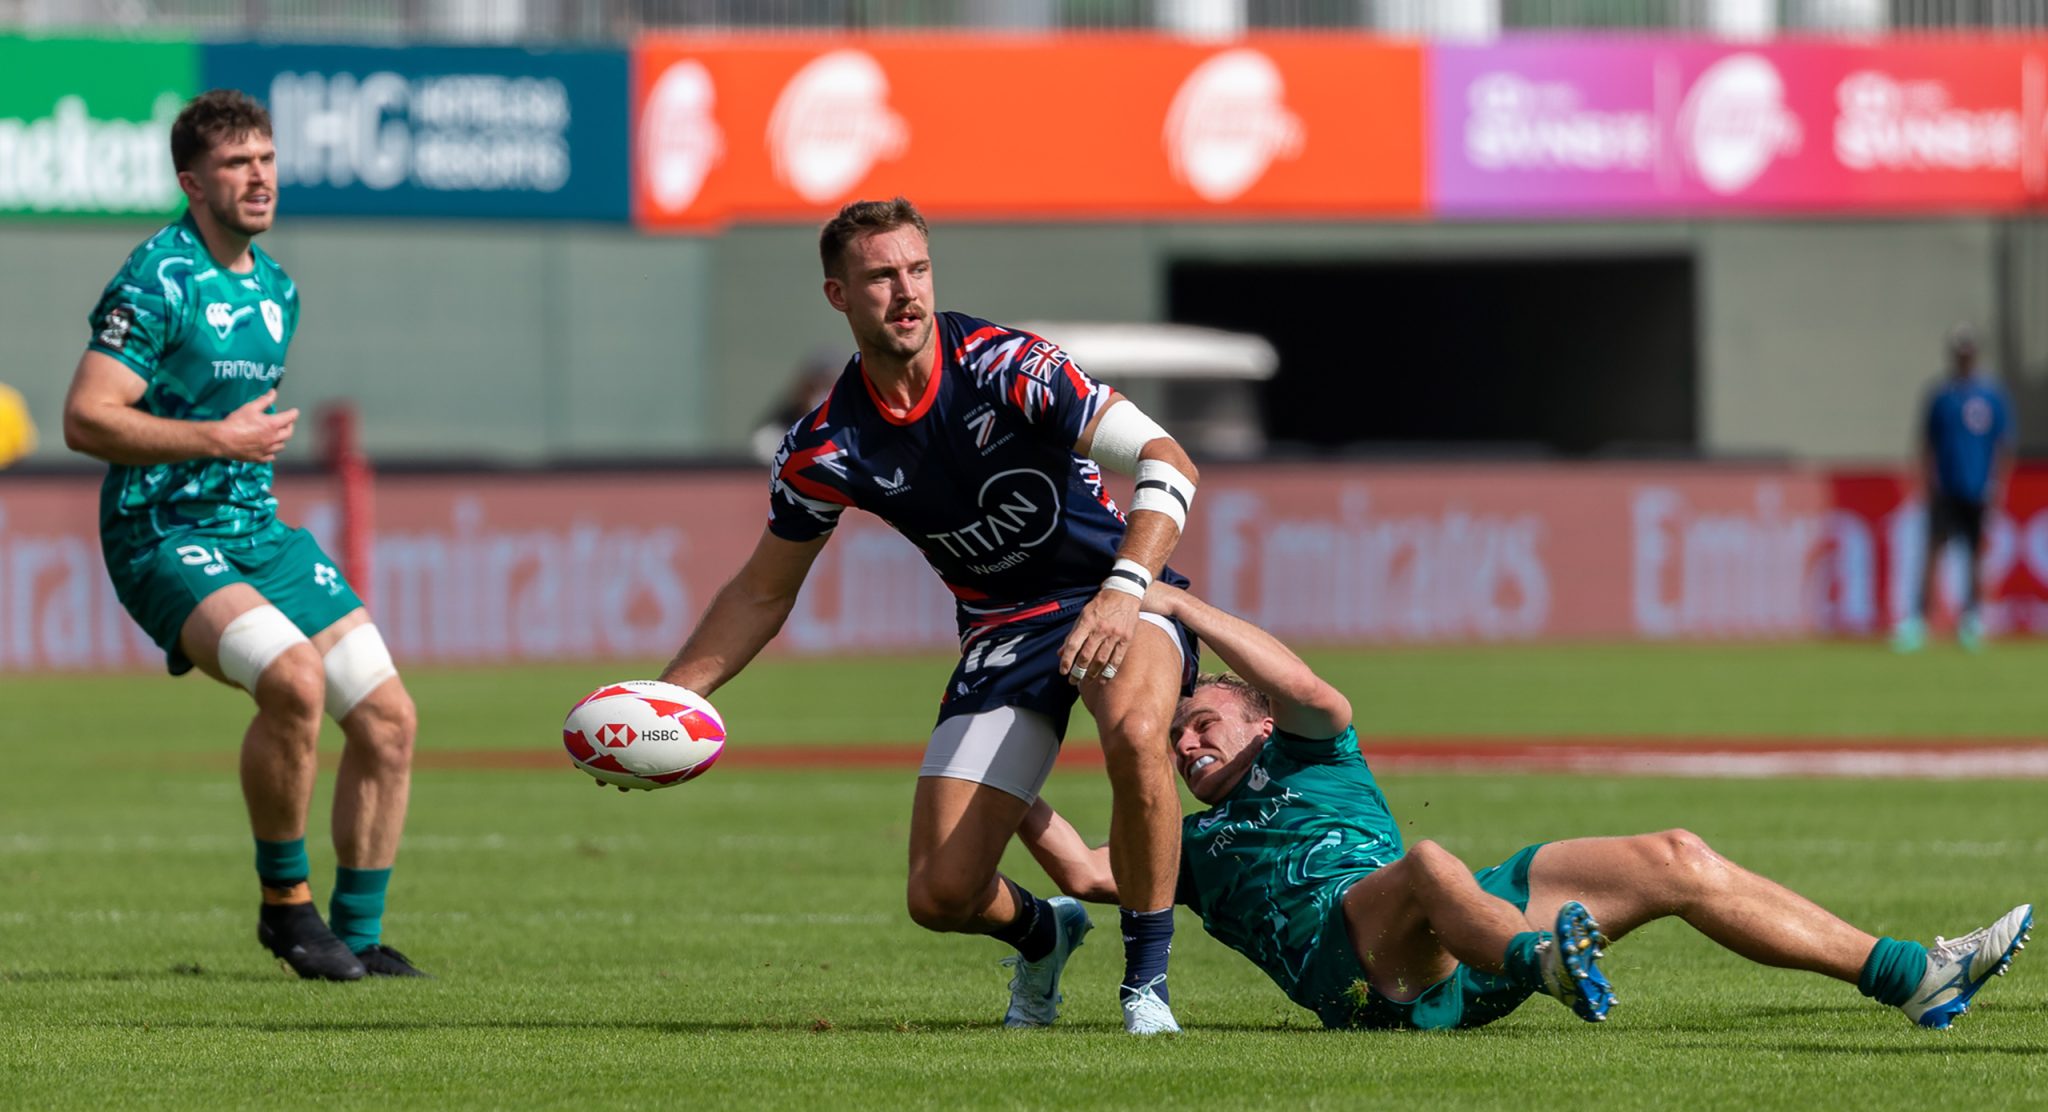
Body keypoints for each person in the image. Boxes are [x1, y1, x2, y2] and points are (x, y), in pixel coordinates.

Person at [657, 197, 1201, 1033]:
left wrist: (1126, 589)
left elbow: (1168, 460)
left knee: (1133, 733)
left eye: (917, 269)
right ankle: (1044, 933)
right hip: (1002, 630)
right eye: (882, 276)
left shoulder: (1008, 365)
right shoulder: (825, 445)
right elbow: (763, 591)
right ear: (839, 295)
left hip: (1116, 592)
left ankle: (1147, 988)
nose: (907, 292)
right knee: (940, 894)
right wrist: (666, 703)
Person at [1022, 583, 2034, 1032]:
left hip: (1458, 927)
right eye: (1173, 741)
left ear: (1254, 719)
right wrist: (1001, 779)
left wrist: (1171, 604)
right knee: (1426, 865)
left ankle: (1911, 978)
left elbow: (1307, 688)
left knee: (1677, 856)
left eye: (1198, 722)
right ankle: (1537, 960)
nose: (1181, 745)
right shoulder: (1188, 845)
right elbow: (1082, 870)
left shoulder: (1314, 750)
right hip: (1366, 977)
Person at [62, 90, 424, 982]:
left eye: (266, 158)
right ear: (193, 184)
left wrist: (235, 449)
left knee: (389, 721)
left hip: (254, 531)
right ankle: (286, 908)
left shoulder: (277, 289)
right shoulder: (157, 278)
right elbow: (86, 417)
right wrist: (217, 440)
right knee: (293, 680)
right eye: (235, 164)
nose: (259, 177)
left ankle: (361, 935)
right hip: (162, 531)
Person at [1894, 323, 2016, 653]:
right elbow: (1926, 443)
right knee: (1933, 552)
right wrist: (1924, 482)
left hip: (1978, 488)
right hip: (1945, 488)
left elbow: (2003, 445)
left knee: (1974, 555)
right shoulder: (1941, 396)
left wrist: (1998, 484)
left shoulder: (1991, 395)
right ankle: (1918, 621)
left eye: (1968, 352)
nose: (1964, 358)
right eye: (1959, 353)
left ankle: (1971, 620)